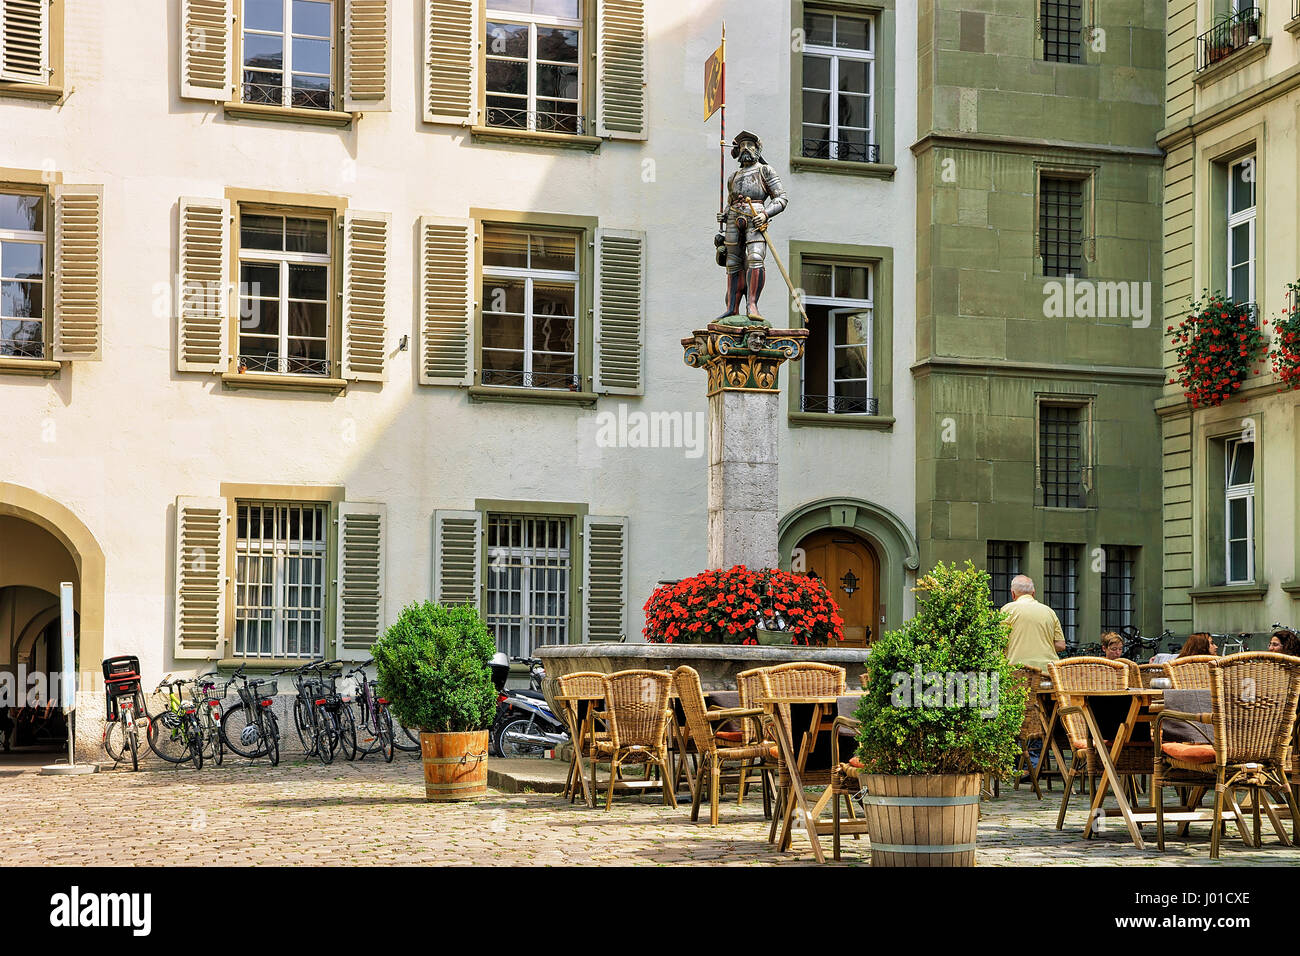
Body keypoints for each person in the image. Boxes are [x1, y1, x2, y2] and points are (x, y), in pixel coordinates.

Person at [1001, 575, 1067, 671]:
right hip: (1048, 672)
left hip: (1017, 673)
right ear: (1033, 593)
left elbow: (1001, 642)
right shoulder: (1049, 611)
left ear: (1013, 594)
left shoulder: (1008, 609)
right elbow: (1061, 645)